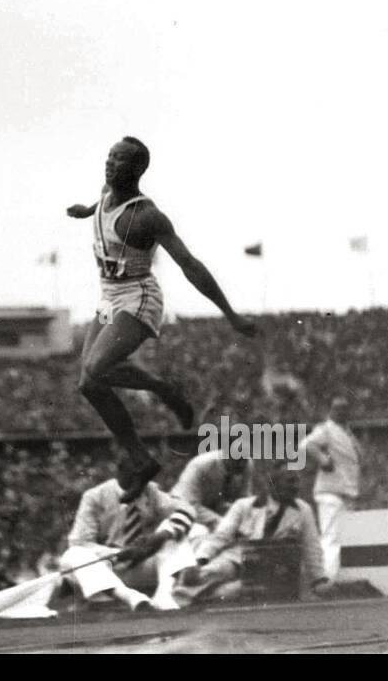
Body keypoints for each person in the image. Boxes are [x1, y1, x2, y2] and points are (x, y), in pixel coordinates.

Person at [68, 137, 257, 501]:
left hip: (139, 298)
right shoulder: (107, 193)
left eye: (120, 160)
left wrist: (230, 314)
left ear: (137, 169)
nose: (110, 164)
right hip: (109, 297)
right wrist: (86, 211)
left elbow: (189, 265)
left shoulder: (147, 217)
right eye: (109, 156)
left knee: (96, 369)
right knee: (88, 385)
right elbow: (102, 205)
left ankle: (164, 389)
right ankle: (141, 460)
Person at [172, 463, 328, 607]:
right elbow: (220, 536)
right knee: (215, 571)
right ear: (272, 484)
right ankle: (179, 595)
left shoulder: (303, 510)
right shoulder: (243, 506)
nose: (296, 487)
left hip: (273, 568)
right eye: (290, 481)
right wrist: (200, 560)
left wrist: (319, 579)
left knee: (238, 591)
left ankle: (194, 599)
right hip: (238, 557)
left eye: (296, 481)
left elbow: (311, 546)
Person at [59, 475, 196, 612]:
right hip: (109, 571)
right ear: (121, 471)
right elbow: (80, 542)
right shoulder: (94, 496)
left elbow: (187, 509)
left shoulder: (150, 490)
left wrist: (161, 535)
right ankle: (132, 598)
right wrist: (118, 553)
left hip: (142, 567)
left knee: (175, 533)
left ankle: (164, 594)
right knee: (73, 554)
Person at [300, 397, 361, 580]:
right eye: (338, 409)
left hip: (344, 491)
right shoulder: (326, 429)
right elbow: (306, 444)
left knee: (342, 539)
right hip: (331, 491)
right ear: (331, 411)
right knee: (332, 538)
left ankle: (337, 579)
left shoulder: (346, 432)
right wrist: (323, 460)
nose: (342, 412)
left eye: (345, 409)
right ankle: (326, 580)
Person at [170, 449, 255, 531]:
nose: (241, 464)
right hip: (182, 509)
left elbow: (244, 500)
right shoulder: (201, 464)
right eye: (237, 460)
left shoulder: (246, 464)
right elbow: (189, 505)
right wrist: (222, 523)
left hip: (212, 509)